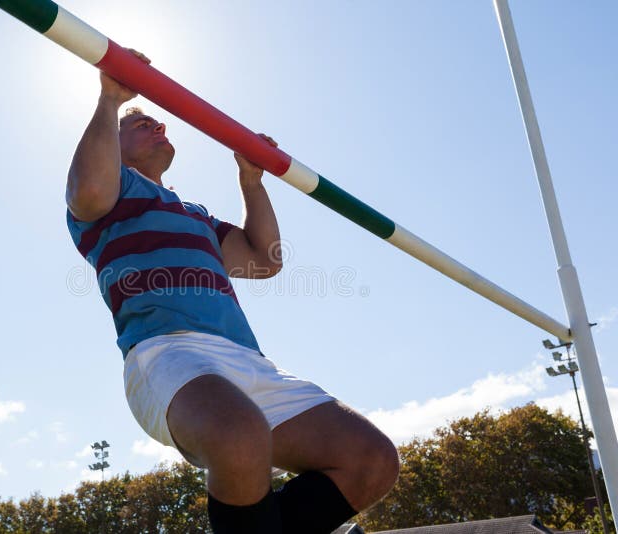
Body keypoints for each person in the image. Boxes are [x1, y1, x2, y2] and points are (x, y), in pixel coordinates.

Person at [65, 49, 399, 534]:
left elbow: (265, 261)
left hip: (247, 364)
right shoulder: (109, 193)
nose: (159, 128)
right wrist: (111, 99)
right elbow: (89, 194)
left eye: (160, 123)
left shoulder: (194, 214)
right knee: (239, 436)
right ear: (110, 143)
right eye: (142, 125)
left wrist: (251, 180)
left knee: (371, 460)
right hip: (168, 356)